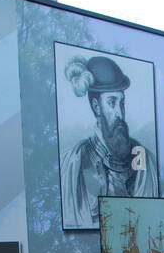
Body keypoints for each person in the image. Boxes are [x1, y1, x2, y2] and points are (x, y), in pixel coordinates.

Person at [59, 55, 158, 227]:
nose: (120, 113)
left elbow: (150, 221)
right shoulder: (75, 161)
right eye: (112, 103)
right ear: (97, 107)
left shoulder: (141, 156)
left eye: (122, 103)